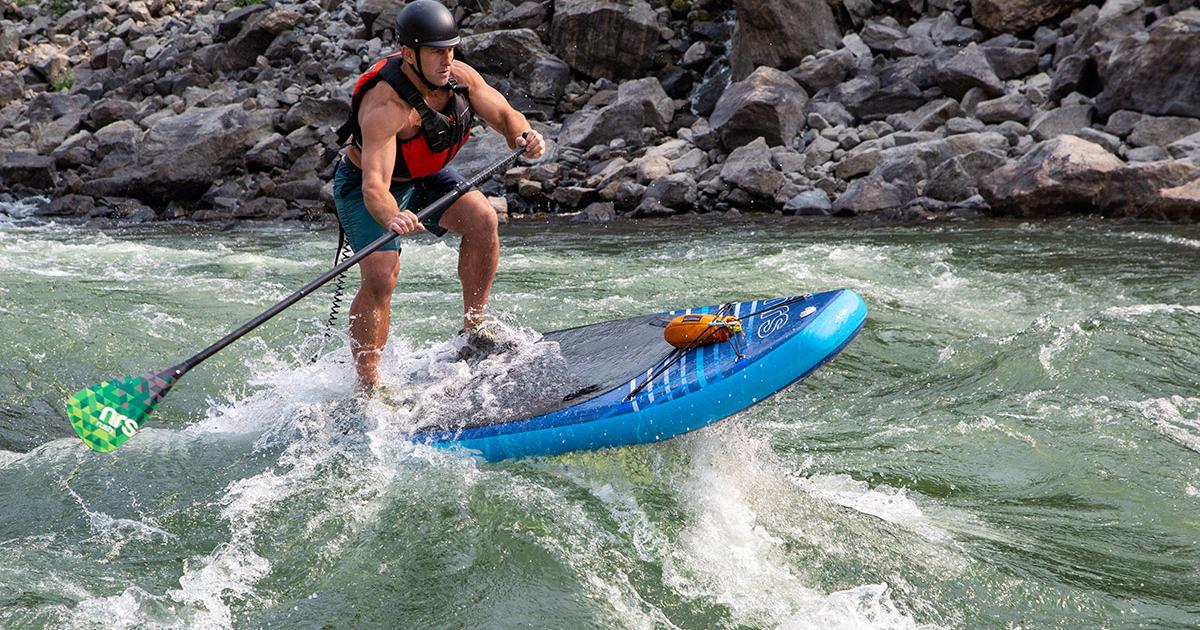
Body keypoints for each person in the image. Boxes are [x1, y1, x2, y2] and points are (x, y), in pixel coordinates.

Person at [331, 0, 545, 391]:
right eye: (436, 52)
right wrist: (393, 215)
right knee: (381, 276)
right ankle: (369, 386)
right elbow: (375, 186)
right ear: (409, 54)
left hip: (426, 176)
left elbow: (504, 114)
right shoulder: (385, 106)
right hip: (369, 186)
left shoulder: (459, 76)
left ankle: (474, 331)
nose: (447, 60)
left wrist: (523, 135)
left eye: (450, 49)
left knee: (484, 220)